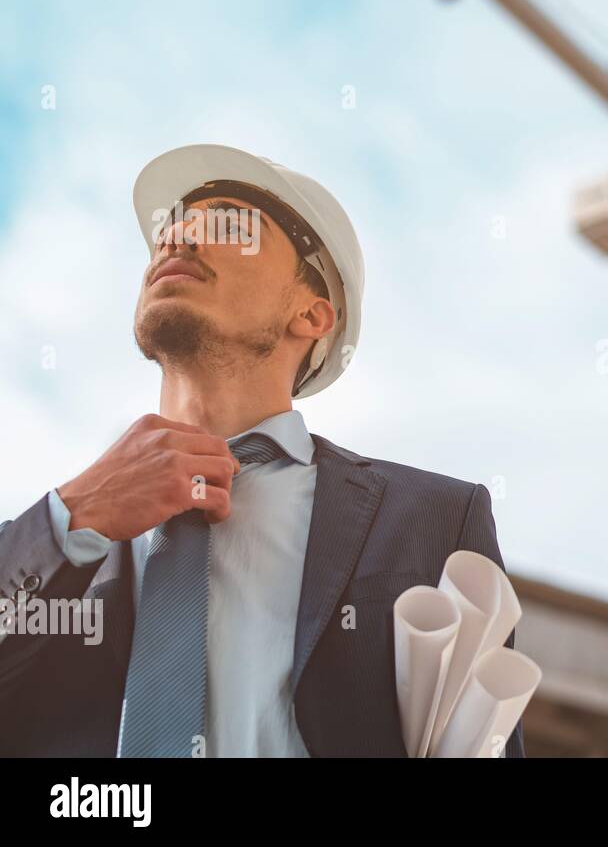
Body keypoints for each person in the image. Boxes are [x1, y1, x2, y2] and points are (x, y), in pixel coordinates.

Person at [0, 144, 525, 758]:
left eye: (227, 224)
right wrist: (72, 517)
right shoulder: (59, 540)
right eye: (170, 228)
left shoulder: (434, 517)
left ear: (312, 313)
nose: (178, 238)